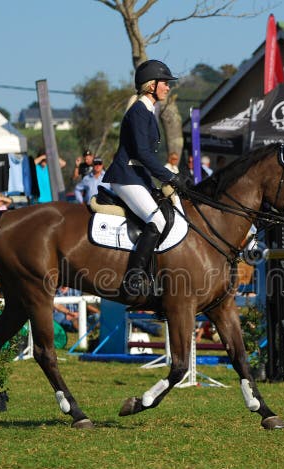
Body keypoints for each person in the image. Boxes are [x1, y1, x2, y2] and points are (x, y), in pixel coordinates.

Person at [103, 59, 183, 298]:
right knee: (157, 220)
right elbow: (142, 153)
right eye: (165, 83)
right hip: (126, 176)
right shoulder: (139, 111)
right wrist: (169, 176)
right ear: (151, 86)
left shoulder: (148, 111)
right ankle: (134, 278)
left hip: (137, 176)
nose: (168, 87)